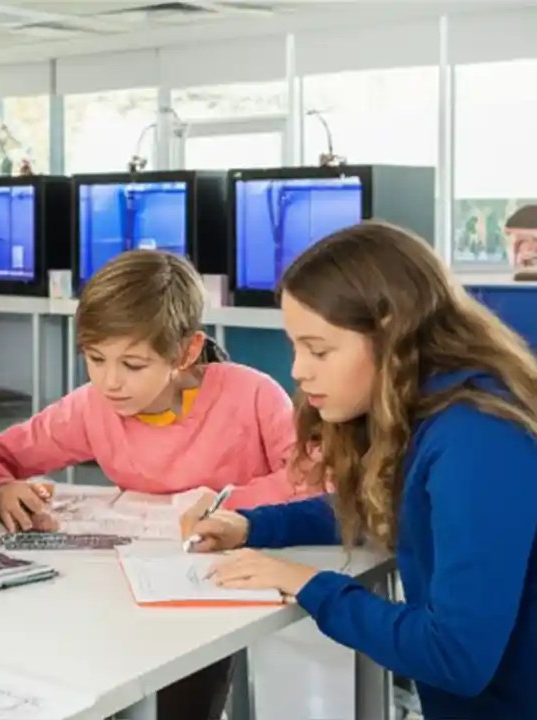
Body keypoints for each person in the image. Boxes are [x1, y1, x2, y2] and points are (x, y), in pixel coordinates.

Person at [187, 222, 537, 720]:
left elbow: (456, 656)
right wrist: (254, 525)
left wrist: (311, 585)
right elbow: (392, 502)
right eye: (295, 347)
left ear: (390, 331)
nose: (299, 370)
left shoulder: (477, 439)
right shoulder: (430, 413)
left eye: (319, 349)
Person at [0, 249, 306, 720]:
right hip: (122, 589)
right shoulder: (91, 406)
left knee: (182, 688)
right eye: (95, 359)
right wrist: (0, 489)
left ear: (186, 351)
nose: (110, 382)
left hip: (212, 589)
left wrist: (232, 505)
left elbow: (319, 479)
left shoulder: (251, 395)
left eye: (133, 365)